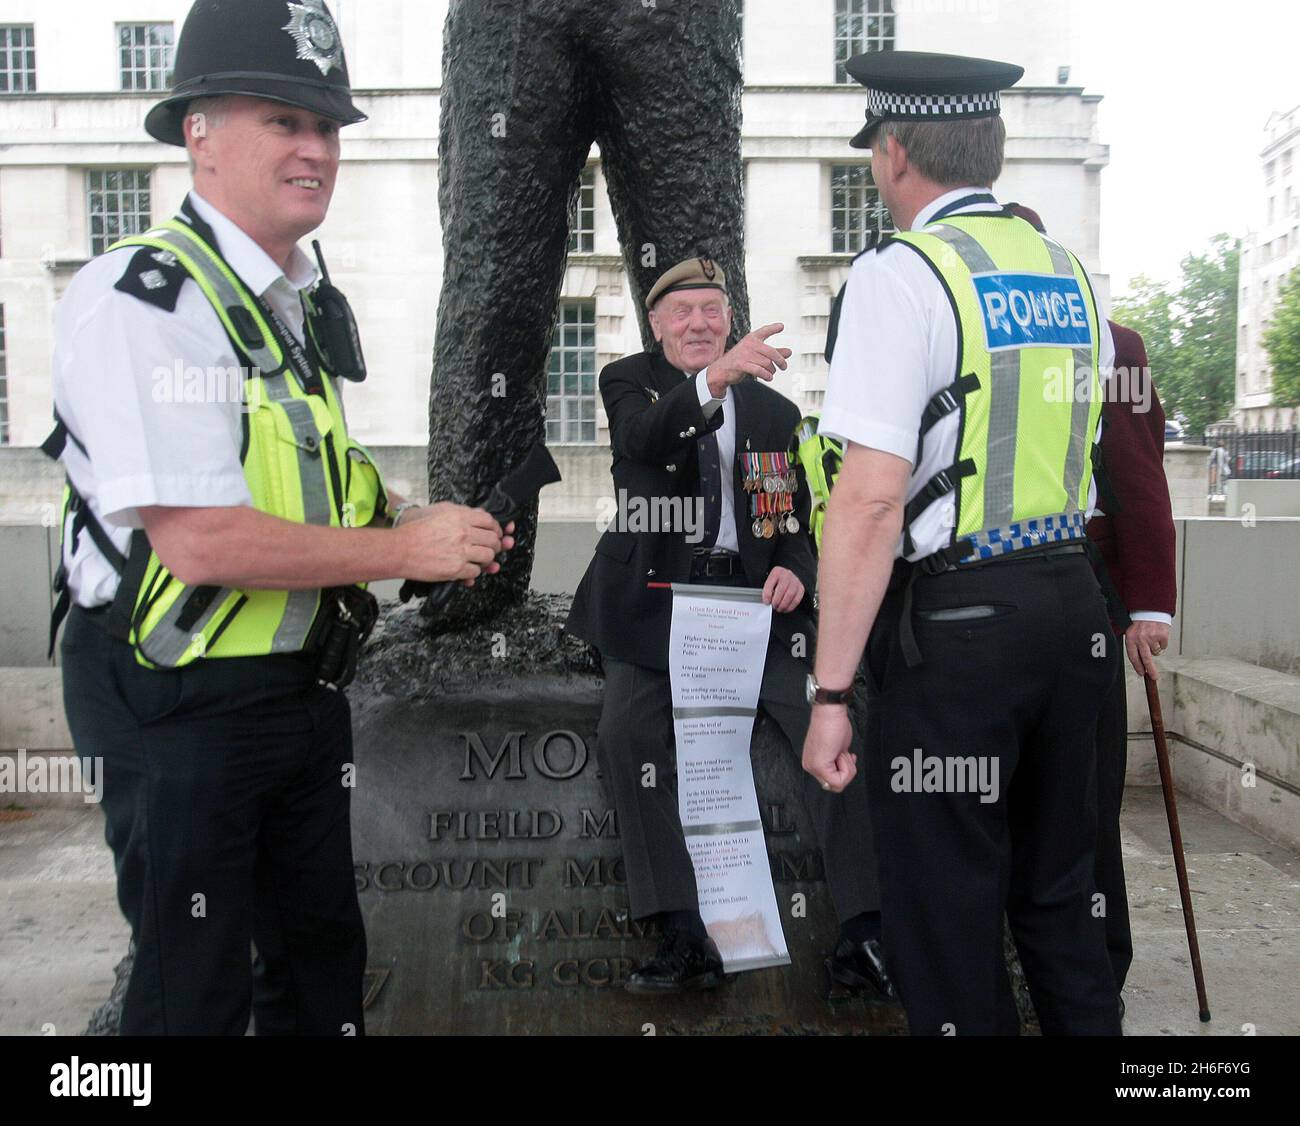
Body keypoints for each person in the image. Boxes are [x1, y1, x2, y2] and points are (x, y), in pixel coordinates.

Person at [47, 0, 511, 1035]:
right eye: (283, 120)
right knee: (187, 991)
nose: (314, 149)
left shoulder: (287, 293)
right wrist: (404, 548)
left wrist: (402, 512)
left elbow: (285, 471)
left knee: (317, 974)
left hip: (295, 688)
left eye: (327, 127)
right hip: (176, 699)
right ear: (198, 133)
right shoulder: (150, 296)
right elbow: (201, 537)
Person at [803, 50, 1122, 1035]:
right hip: (1076, 614)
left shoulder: (901, 276)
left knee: (944, 915)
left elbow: (865, 503)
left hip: (960, 632)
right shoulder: (1072, 276)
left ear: (895, 152)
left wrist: (827, 696)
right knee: (1066, 905)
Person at [565, 257, 892, 998]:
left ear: (730, 320)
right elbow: (644, 442)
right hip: (652, 607)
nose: (699, 324)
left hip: (749, 611)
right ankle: (682, 932)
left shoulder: (774, 414)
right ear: (655, 324)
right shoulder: (629, 381)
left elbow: (791, 518)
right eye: (682, 313)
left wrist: (798, 569)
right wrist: (712, 386)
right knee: (628, 735)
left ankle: (867, 933)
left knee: (832, 721)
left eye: (712, 310)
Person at [1006, 206, 1177, 1008]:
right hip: (970, 613)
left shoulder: (1113, 350)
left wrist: (1148, 606)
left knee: (1081, 810)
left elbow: (1140, 482)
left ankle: (1098, 977)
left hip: (1091, 609)